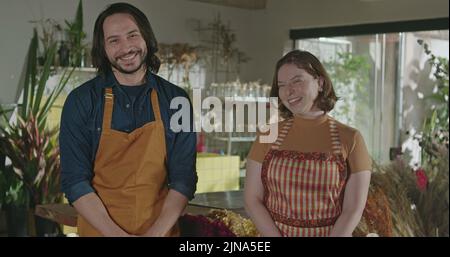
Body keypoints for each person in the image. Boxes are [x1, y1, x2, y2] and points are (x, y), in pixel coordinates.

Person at [59, 2, 197, 237]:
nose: (126, 47)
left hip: (161, 232)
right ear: (103, 48)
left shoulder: (177, 100)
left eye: (132, 35)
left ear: (146, 37)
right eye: (114, 40)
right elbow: (74, 181)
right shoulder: (81, 101)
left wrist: (155, 234)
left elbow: (183, 178)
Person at [244, 50, 371, 237]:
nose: (289, 91)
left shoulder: (351, 139)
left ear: (320, 83)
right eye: (282, 85)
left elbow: (352, 209)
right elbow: (251, 200)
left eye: (297, 81)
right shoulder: (267, 134)